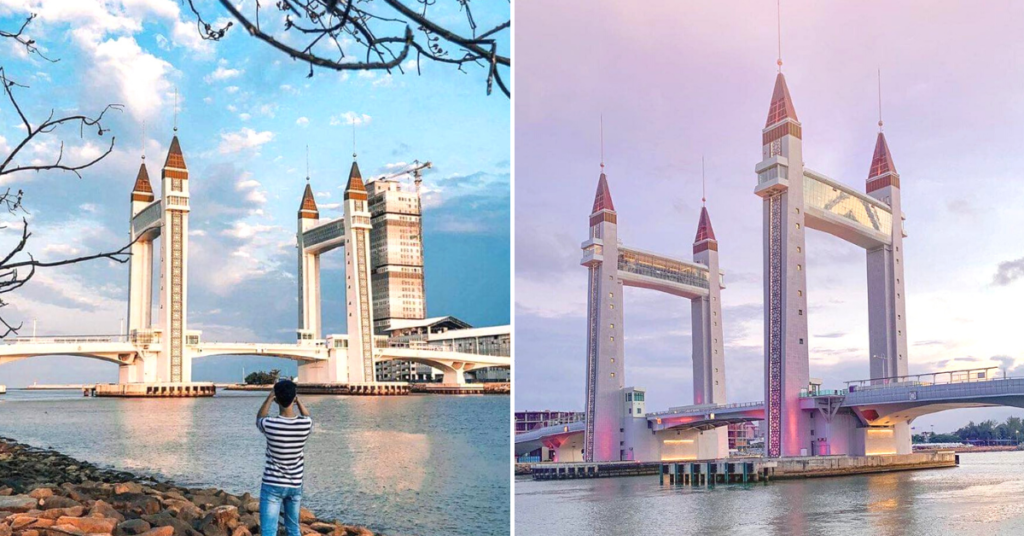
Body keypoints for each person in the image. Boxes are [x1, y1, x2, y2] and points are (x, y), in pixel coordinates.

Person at [256, 379, 312, 536]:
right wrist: (297, 400)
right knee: (293, 529)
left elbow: (260, 417)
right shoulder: (305, 425)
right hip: (295, 484)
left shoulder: (270, 424)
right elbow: (307, 416)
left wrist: (269, 398)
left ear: (276, 400)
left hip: (272, 484)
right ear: (294, 399)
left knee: (268, 531)